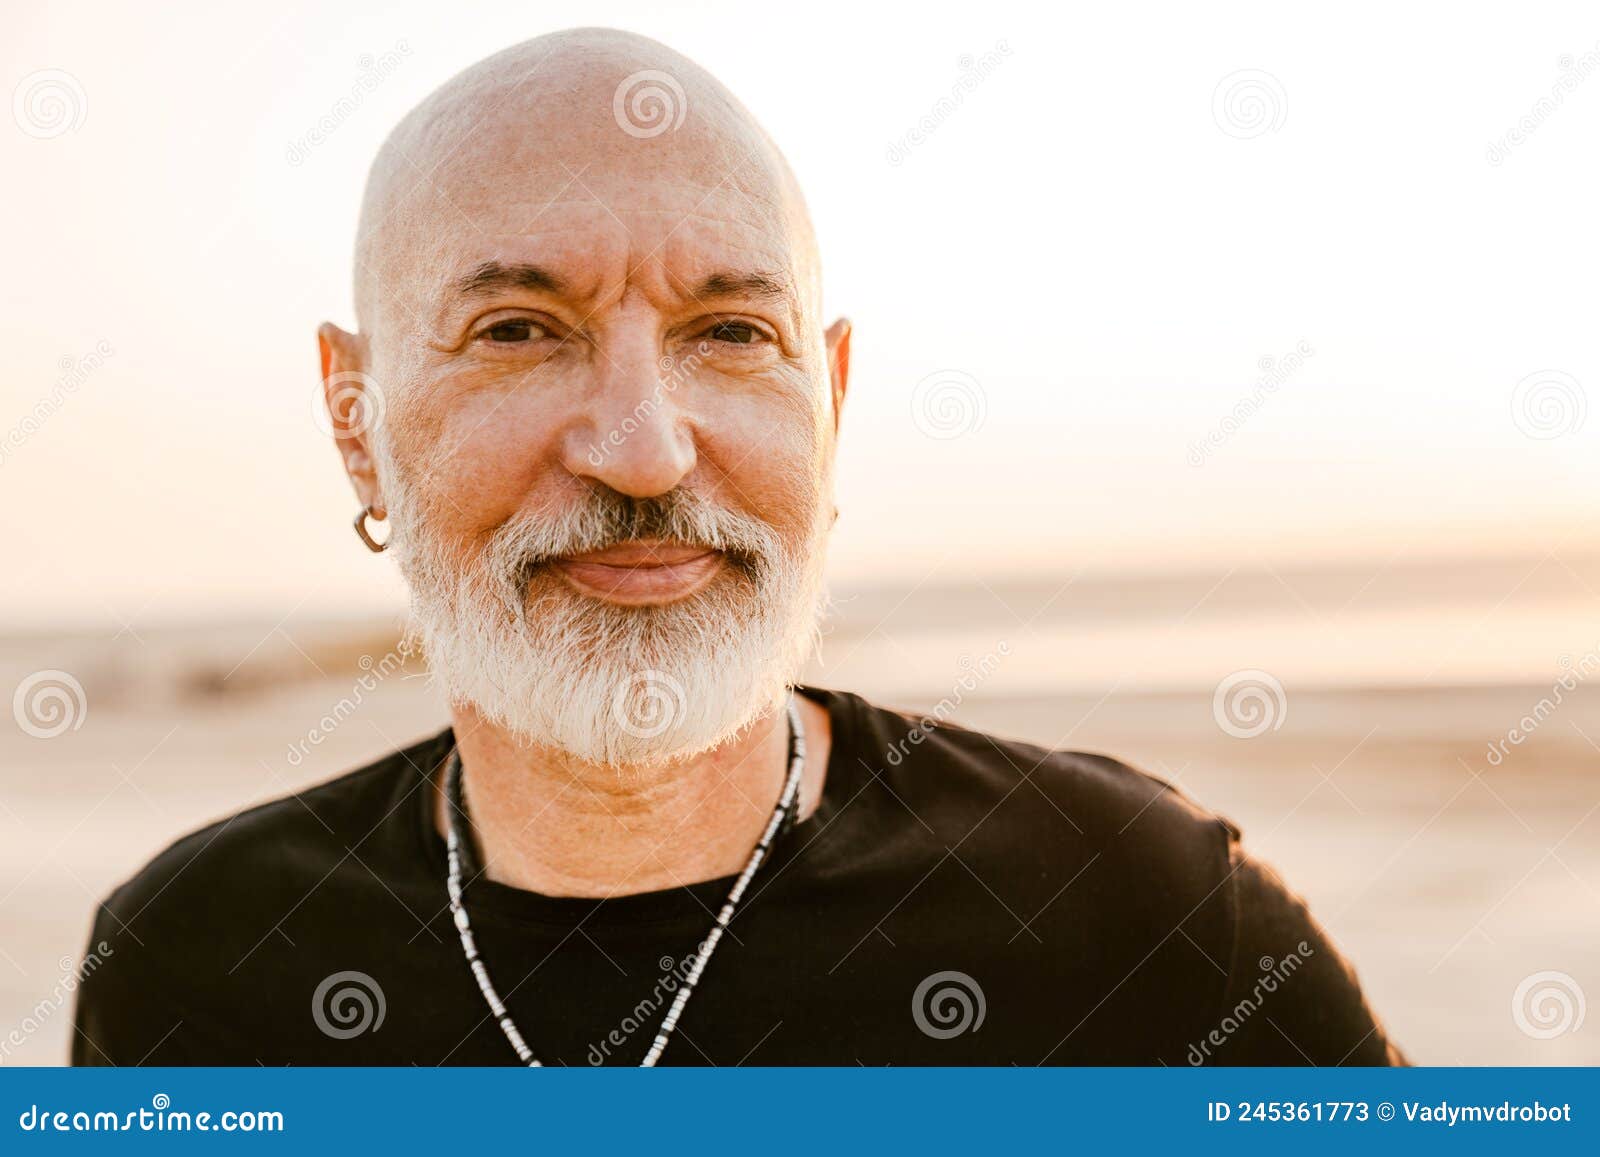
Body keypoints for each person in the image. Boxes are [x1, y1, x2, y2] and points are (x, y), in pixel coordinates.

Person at [72, 28, 1402, 1067]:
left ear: (831, 405)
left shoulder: (1142, 914)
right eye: (518, 330)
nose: (644, 451)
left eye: (730, 333)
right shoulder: (193, 963)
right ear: (355, 421)